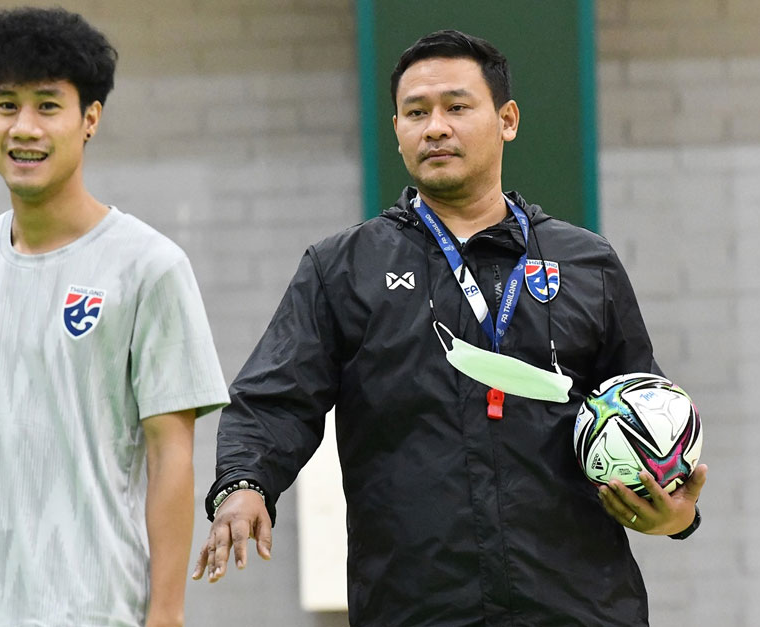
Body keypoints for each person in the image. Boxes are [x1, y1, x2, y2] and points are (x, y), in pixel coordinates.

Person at [193, 29, 707, 626]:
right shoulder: (344, 268)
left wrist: (676, 513)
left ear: (507, 119)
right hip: (416, 607)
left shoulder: (586, 262)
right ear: (397, 130)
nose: (435, 127)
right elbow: (273, 400)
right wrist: (244, 481)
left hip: (578, 606)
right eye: (417, 112)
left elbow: (650, 408)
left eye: (457, 107)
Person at [0, 8, 228, 627]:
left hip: (98, 612)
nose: (24, 128)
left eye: (47, 104)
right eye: (5, 105)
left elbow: (171, 456)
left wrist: (166, 617)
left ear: (90, 119)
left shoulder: (150, 267)